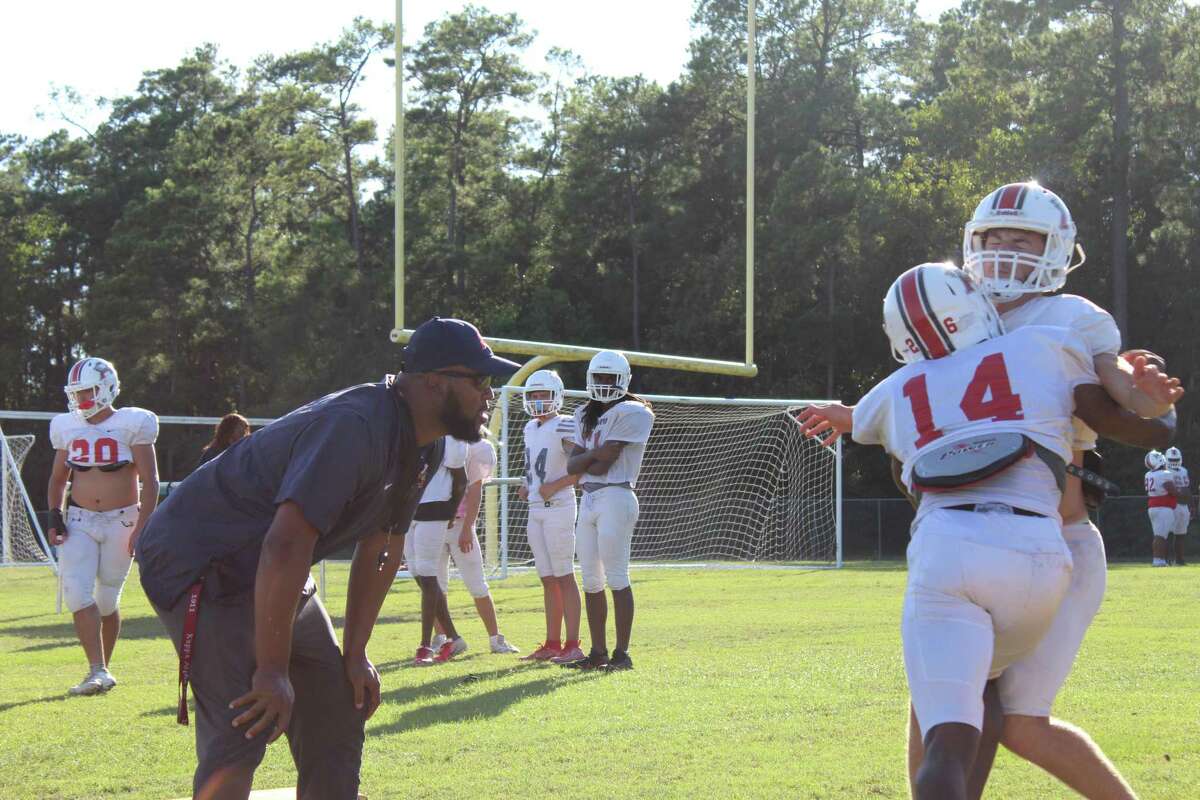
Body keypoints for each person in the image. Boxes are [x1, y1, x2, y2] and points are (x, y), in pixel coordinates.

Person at [797, 262, 1175, 800]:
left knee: (947, 739)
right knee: (1002, 708)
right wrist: (1150, 400)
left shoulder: (896, 387)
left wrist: (840, 414)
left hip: (948, 551)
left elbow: (867, 418)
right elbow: (1113, 411)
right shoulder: (1046, 343)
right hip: (1041, 554)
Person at [135, 316, 519, 800]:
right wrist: (272, 669)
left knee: (340, 705)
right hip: (201, 560)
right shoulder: (354, 427)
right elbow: (286, 544)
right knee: (245, 727)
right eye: (480, 380)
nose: (489, 394)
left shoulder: (426, 442)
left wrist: (355, 653)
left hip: (270, 565)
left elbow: (384, 543)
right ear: (434, 382)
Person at [897, 181, 1183, 800]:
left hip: (1055, 539)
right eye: (993, 237)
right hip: (974, 533)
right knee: (949, 702)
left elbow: (1124, 415)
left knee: (1008, 717)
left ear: (1056, 248)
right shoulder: (951, 318)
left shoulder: (1071, 319)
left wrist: (1151, 404)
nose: (1004, 249)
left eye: (1021, 238)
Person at [46, 357, 159, 696]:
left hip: (122, 520)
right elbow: (57, 478)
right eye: (77, 393)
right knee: (77, 593)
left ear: (108, 387)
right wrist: (55, 515)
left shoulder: (134, 423)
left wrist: (142, 525)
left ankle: (102, 670)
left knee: (107, 600)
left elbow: (150, 481)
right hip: (79, 519)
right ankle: (97, 669)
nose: (82, 400)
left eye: (89, 391)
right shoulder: (66, 426)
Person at [560, 350, 654, 671]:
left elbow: (600, 466)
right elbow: (574, 465)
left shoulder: (634, 411)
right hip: (588, 499)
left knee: (616, 576)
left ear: (622, 380)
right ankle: (597, 652)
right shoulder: (584, 412)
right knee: (590, 579)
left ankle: (621, 654)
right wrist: (593, 455)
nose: (602, 384)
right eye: (598, 377)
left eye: (608, 378)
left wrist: (589, 456)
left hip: (616, 495)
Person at [430, 434, 521, 655]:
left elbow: (475, 489)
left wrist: (468, 527)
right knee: (433, 586)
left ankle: (495, 638)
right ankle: (441, 637)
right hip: (430, 522)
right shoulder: (433, 442)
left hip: (459, 524)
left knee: (477, 584)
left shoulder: (478, 447)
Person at [515, 370, 583, 662]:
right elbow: (537, 465)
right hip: (536, 509)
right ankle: (552, 642)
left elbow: (584, 467)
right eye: (534, 395)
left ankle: (573, 644)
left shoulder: (565, 425)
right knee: (547, 579)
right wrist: (527, 485)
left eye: (544, 394)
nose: (539, 400)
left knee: (565, 575)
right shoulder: (530, 428)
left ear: (557, 396)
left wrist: (555, 485)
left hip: (559, 508)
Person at [404, 435, 471, 665]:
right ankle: (454, 638)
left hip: (435, 508)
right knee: (417, 572)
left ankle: (425, 645)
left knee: (427, 573)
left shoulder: (451, 437)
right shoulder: (411, 431)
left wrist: (451, 511)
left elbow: (461, 479)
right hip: (409, 508)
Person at [1145, 449, 1183, 567]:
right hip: (1163, 507)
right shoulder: (1165, 474)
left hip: (1154, 506)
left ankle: (1159, 559)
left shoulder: (1148, 474)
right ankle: (1158, 560)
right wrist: (1180, 492)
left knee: (1159, 535)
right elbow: (1173, 492)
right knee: (1160, 536)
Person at [1165, 446, 1190, 565]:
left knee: (1181, 533)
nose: (1174, 463)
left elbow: (1186, 489)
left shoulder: (1184, 470)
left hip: (1183, 505)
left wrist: (1190, 504)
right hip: (1171, 505)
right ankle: (1167, 559)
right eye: (1171, 460)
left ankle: (1179, 559)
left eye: (1176, 460)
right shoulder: (1164, 472)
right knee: (1168, 533)